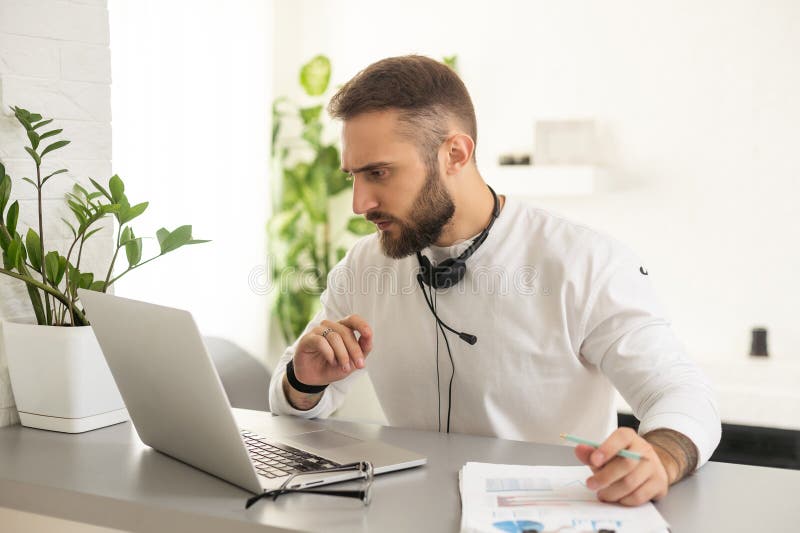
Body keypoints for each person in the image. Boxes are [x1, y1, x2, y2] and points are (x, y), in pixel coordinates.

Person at [268, 55, 721, 506]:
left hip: (550, 515)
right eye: (353, 176)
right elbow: (293, 406)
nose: (359, 203)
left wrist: (662, 457)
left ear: (455, 154)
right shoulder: (363, 267)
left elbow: (680, 392)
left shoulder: (585, 261)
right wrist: (304, 381)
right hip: (411, 511)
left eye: (378, 173)